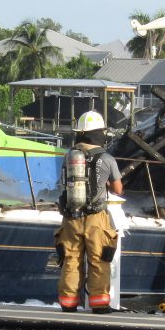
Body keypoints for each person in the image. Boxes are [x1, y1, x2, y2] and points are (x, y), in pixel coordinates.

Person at [55, 110, 123, 313]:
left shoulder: (69, 157)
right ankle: (100, 304)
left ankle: (68, 303)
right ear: (99, 134)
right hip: (96, 218)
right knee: (99, 259)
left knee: (71, 259)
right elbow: (118, 189)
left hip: (71, 217)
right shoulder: (107, 158)